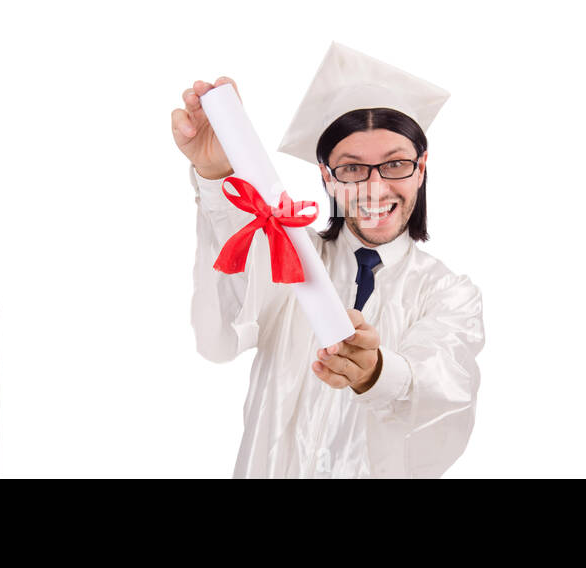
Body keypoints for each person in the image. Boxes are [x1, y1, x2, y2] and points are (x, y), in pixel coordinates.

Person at [171, 43, 484, 477]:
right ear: (326, 176)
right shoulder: (290, 256)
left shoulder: (449, 293)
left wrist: (377, 373)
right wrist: (216, 174)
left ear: (421, 166)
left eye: (395, 164)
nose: (375, 188)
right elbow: (225, 313)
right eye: (352, 168)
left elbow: (445, 388)